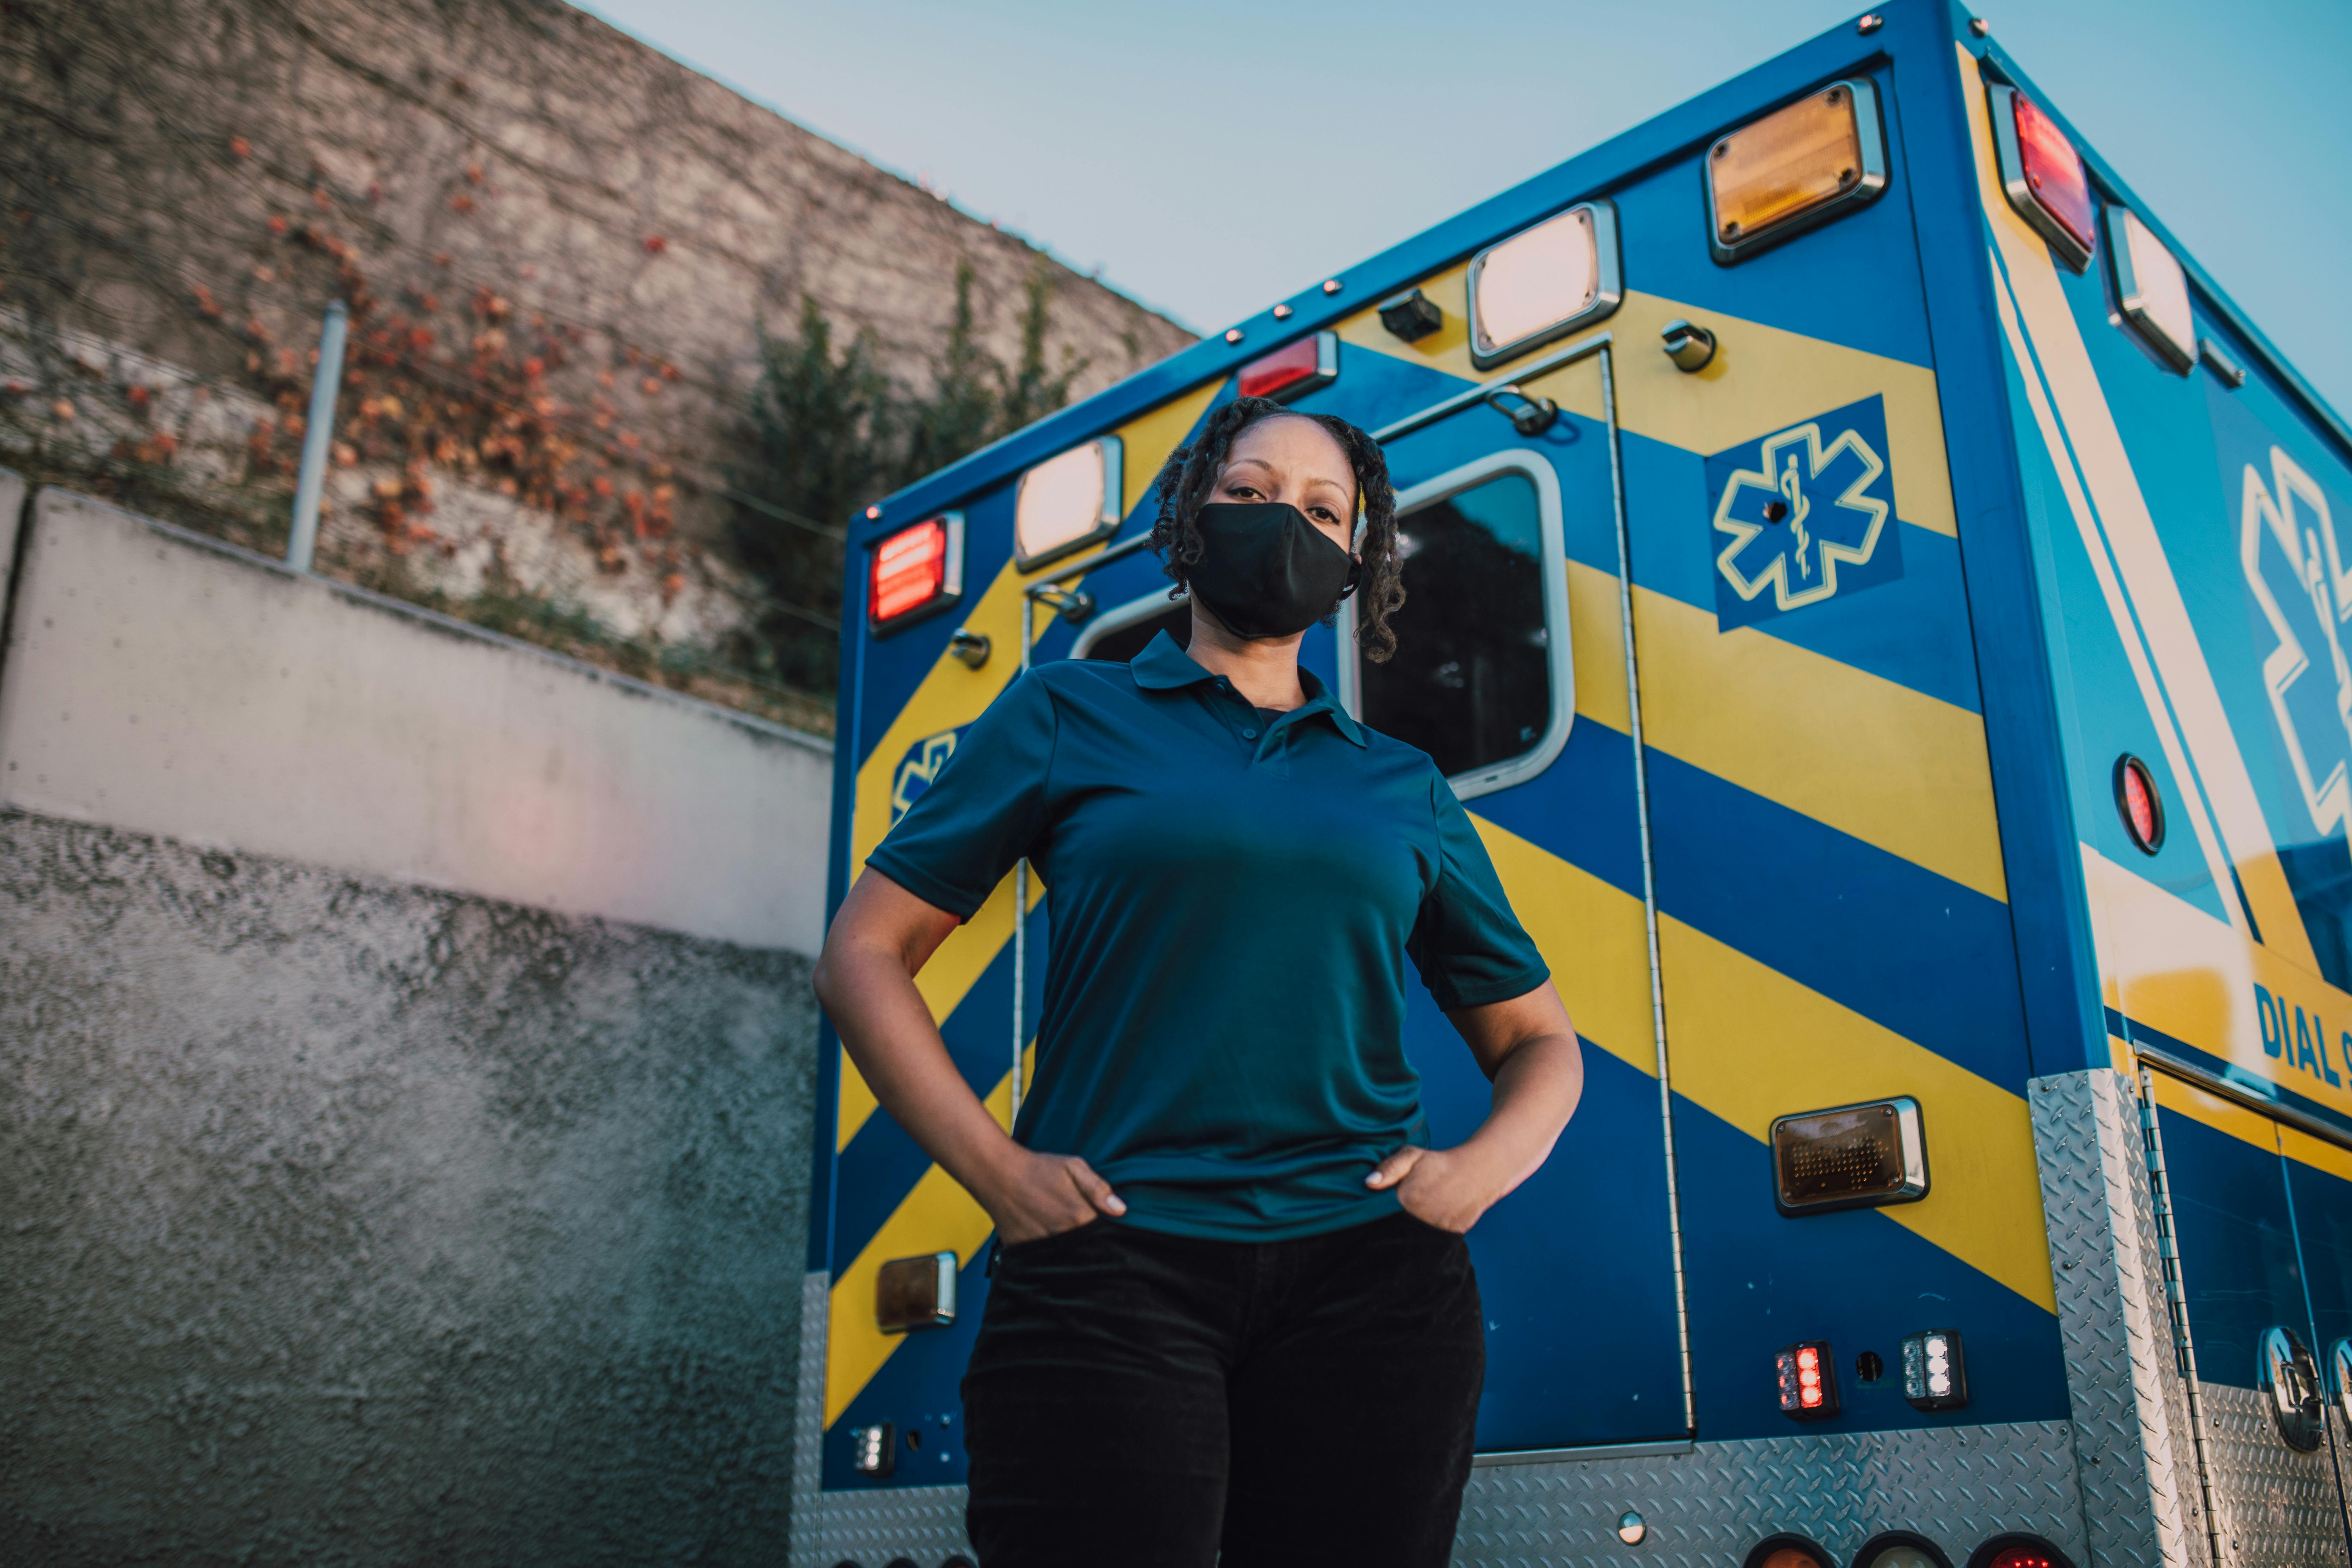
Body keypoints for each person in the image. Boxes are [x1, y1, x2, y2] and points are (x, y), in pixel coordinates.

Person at [812, 395, 1584, 1568]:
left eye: (1325, 510)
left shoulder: (1402, 783)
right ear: (1189, 518)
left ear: (1355, 563)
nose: (1287, 522)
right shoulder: (1070, 712)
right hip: (1111, 1272)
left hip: (1370, 1286)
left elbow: (1539, 1039)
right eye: (1252, 492)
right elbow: (864, 954)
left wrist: (1474, 1176)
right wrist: (1000, 1176)